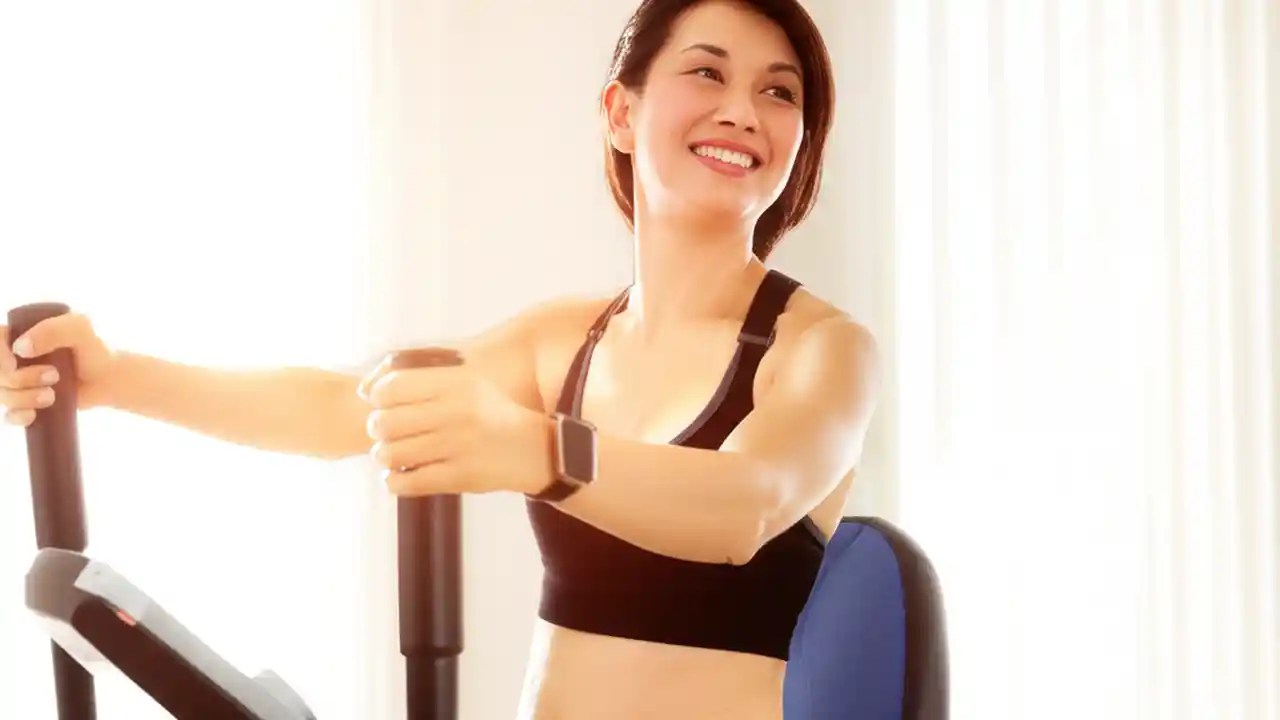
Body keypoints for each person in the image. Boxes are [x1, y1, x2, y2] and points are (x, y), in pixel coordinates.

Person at [1, 0, 880, 717]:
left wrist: (539, 450)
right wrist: (115, 378)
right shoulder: (563, 342)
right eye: (708, 72)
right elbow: (344, 408)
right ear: (621, 112)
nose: (743, 111)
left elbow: (742, 506)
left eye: (779, 92)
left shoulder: (821, 348)